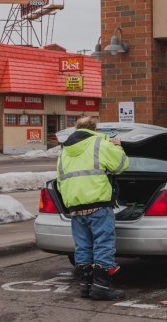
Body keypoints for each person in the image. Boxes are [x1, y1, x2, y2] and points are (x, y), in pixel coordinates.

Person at [56, 116, 128, 300]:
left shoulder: (65, 151)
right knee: (103, 244)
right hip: (98, 205)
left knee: (83, 246)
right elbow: (120, 165)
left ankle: (85, 286)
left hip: (75, 207)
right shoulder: (99, 143)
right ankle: (102, 286)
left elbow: (59, 180)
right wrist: (117, 146)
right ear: (94, 128)